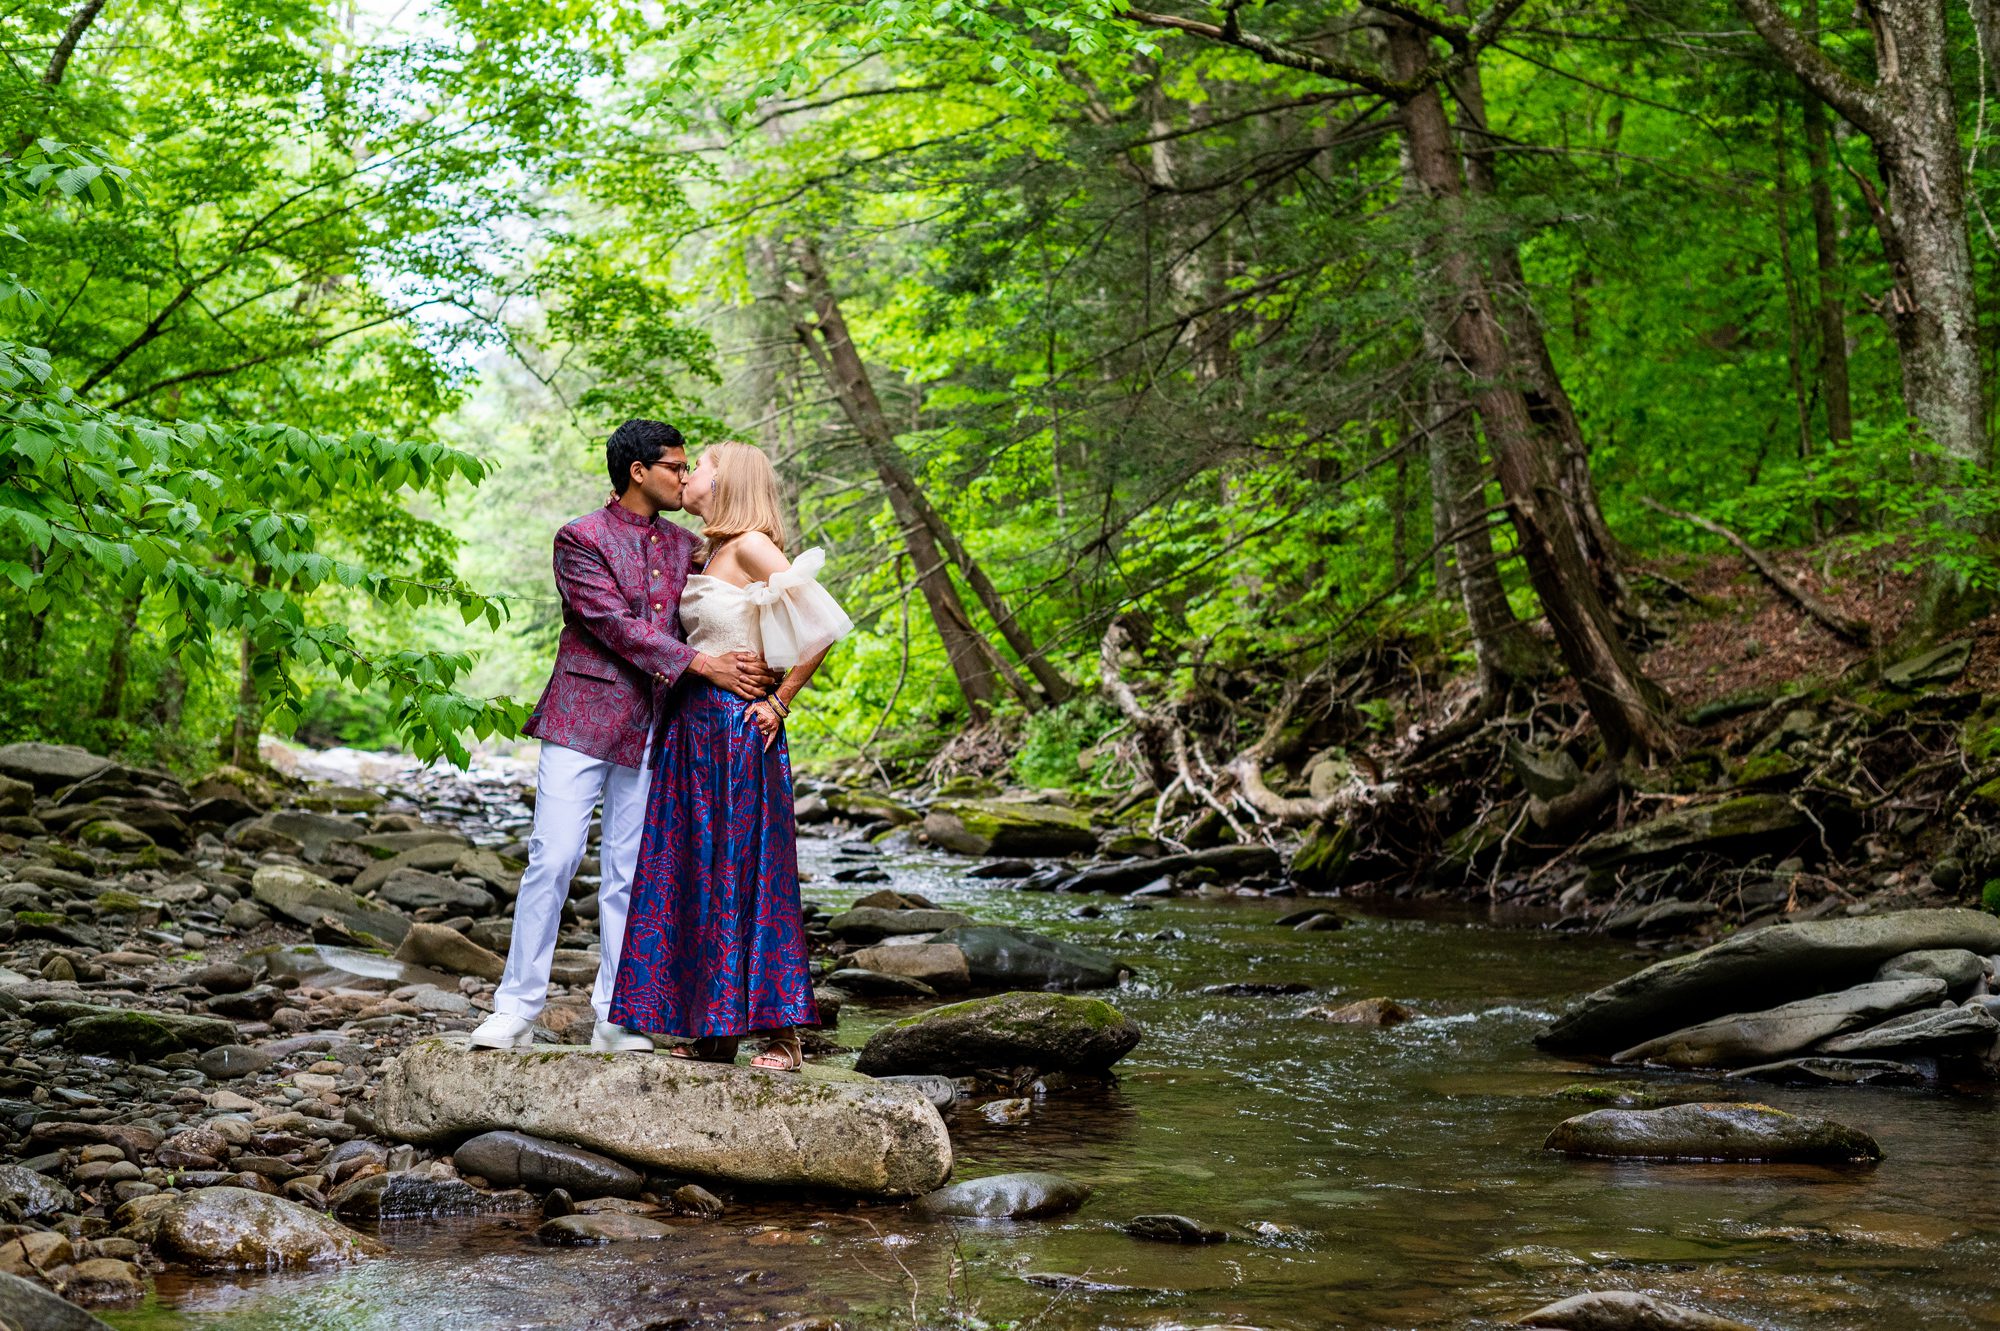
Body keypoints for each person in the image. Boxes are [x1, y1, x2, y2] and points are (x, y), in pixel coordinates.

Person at [467, 420, 779, 1053]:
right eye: (676, 467)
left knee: (630, 873)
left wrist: (773, 684)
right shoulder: (579, 538)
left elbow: (738, 602)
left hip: (658, 728)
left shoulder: (687, 546)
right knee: (551, 860)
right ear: (639, 471)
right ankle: (516, 1008)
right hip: (581, 719)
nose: (685, 477)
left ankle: (616, 1014)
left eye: (691, 467)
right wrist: (702, 665)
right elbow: (609, 623)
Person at [609, 441, 852, 1070]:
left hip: (742, 730)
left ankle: (783, 1037)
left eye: (701, 467)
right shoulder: (705, 549)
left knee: (749, 870)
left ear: (729, 481)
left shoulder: (749, 544)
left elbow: (821, 626)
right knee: (692, 869)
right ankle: (711, 1025)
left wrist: (781, 701)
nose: (690, 475)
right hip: (691, 731)